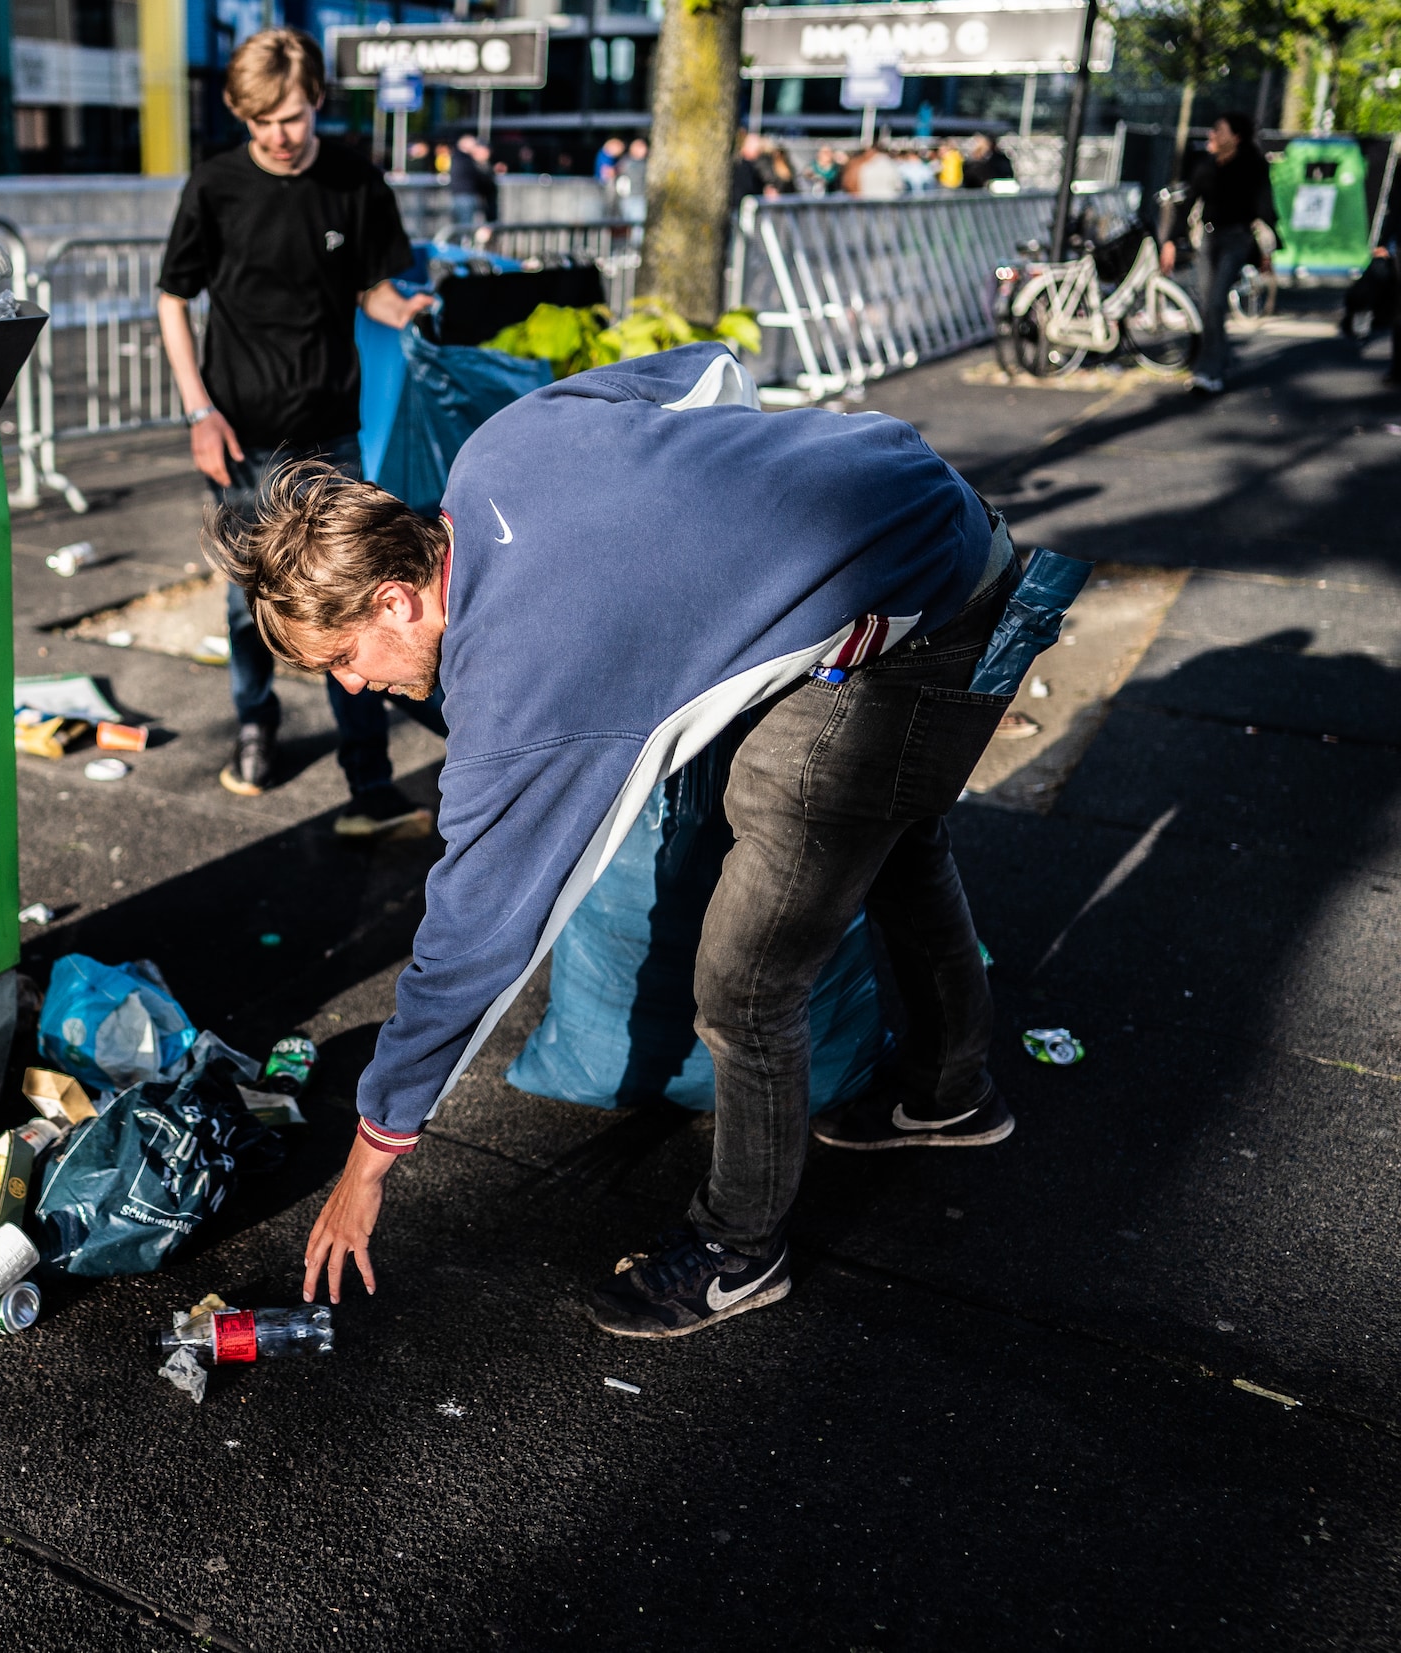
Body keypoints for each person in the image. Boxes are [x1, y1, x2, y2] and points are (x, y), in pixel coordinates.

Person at [209, 342, 1021, 1337]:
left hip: (931, 607)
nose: (349, 685)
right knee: (886, 827)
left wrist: (371, 1153)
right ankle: (948, 1093)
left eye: (341, 656)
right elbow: (710, 373)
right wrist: (737, 527)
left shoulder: (520, 690)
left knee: (746, 969)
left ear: (394, 598)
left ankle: (736, 1252)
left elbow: (473, 939)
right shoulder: (496, 454)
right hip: (918, 491)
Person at [155, 27, 442, 835]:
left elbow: (374, 293)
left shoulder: (354, 177)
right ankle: (255, 723)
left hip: (329, 434)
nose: (279, 137)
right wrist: (197, 411)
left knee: (348, 602)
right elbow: (172, 298)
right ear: (239, 115)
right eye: (261, 124)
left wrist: (408, 310)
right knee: (251, 604)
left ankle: (369, 784)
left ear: (316, 97)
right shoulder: (214, 186)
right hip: (239, 434)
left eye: (290, 118)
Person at [1164, 111, 1277, 395]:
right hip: (1209, 238)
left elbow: (1264, 207)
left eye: (1219, 130)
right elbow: (1189, 202)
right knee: (1207, 304)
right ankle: (1218, 358)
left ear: (1235, 136)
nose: (1212, 135)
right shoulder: (1207, 166)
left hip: (1237, 239)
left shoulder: (1252, 165)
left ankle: (1207, 370)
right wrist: (1170, 240)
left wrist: (1267, 250)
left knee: (1215, 302)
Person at [448, 133, 500, 234]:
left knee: (463, 226)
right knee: (466, 227)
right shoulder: (464, 159)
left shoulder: (458, 158)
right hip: (467, 197)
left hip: (462, 196)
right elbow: (480, 178)